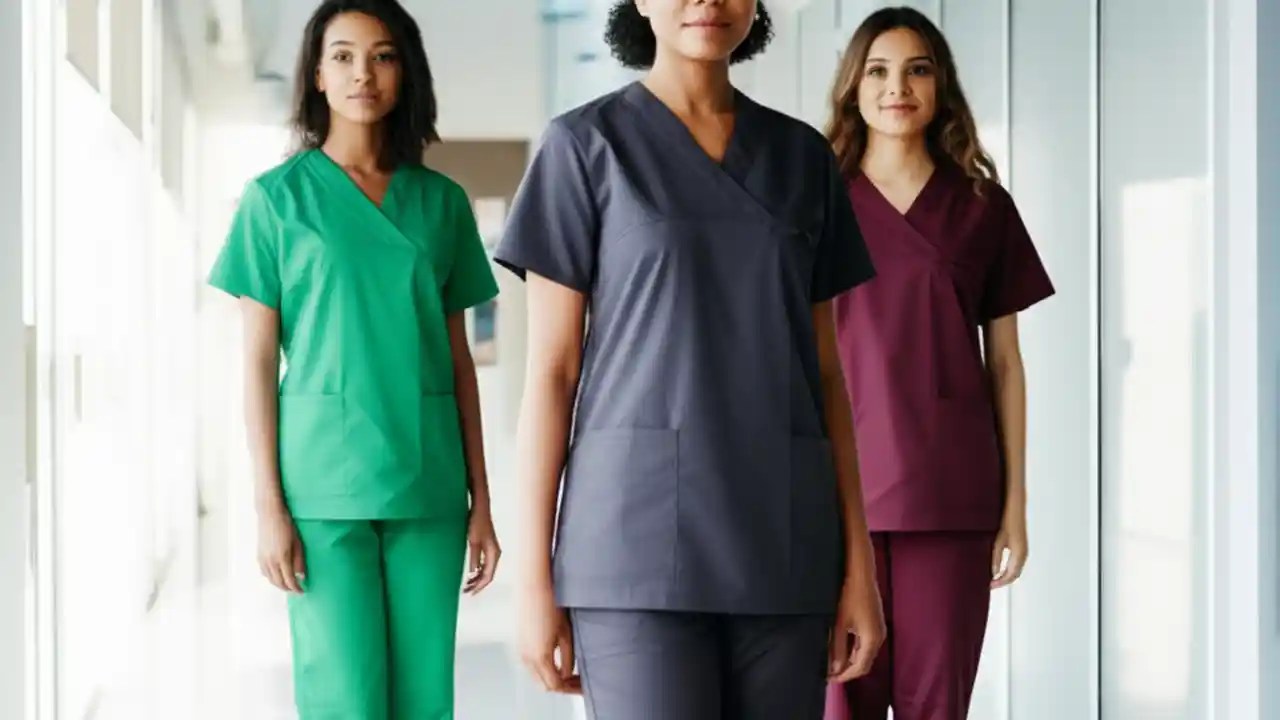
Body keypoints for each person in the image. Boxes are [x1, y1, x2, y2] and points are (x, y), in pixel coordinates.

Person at [494, 1, 886, 718]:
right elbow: (552, 374)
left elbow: (828, 375)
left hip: (784, 541)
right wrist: (532, 583)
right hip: (631, 548)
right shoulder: (582, 147)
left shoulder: (804, 159)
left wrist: (859, 566)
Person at [206, 1, 502, 717]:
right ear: (315, 73)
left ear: (406, 72)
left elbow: (459, 360)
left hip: (428, 481)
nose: (362, 73)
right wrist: (268, 504)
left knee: (425, 693)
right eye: (342, 55)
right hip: (321, 489)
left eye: (383, 55)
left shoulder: (443, 204)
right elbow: (255, 364)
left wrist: (483, 503)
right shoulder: (274, 202)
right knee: (346, 694)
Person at [820, 7, 1056, 720]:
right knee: (839, 703)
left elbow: (1006, 366)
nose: (898, 87)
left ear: (941, 86)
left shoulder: (983, 207)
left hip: (950, 496)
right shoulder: (815, 205)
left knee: (937, 705)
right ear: (854, 88)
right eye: (880, 71)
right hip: (836, 492)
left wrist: (1014, 505)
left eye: (917, 69)